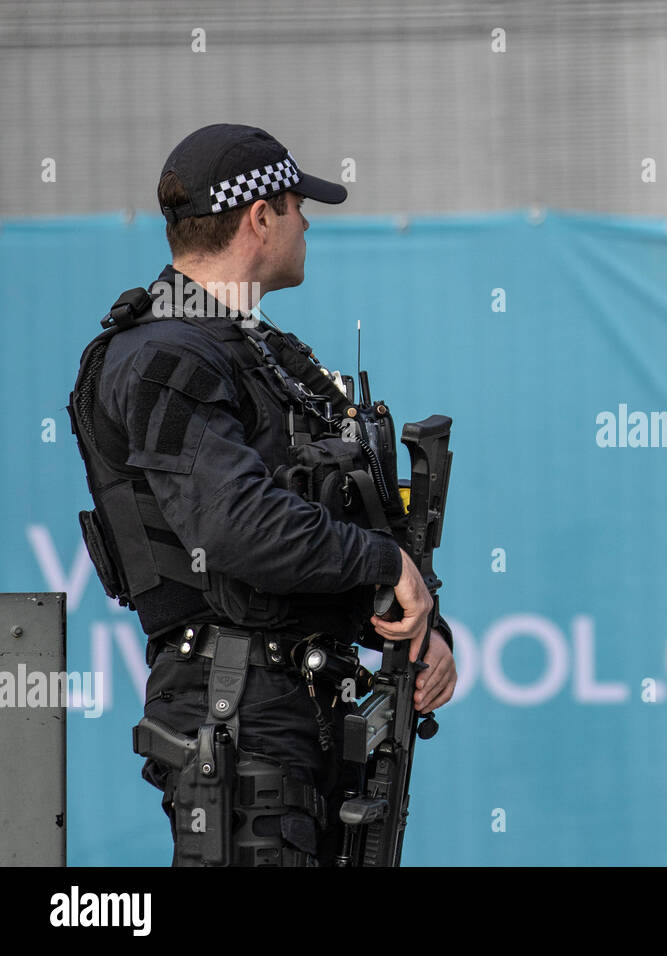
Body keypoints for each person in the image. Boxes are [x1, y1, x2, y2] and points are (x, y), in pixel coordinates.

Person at [67, 124, 456, 866]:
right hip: (236, 711)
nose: (307, 223)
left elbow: (331, 513)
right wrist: (384, 566)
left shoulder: (257, 351)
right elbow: (236, 524)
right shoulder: (163, 356)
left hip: (299, 705)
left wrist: (417, 625)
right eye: (298, 207)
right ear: (259, 217)